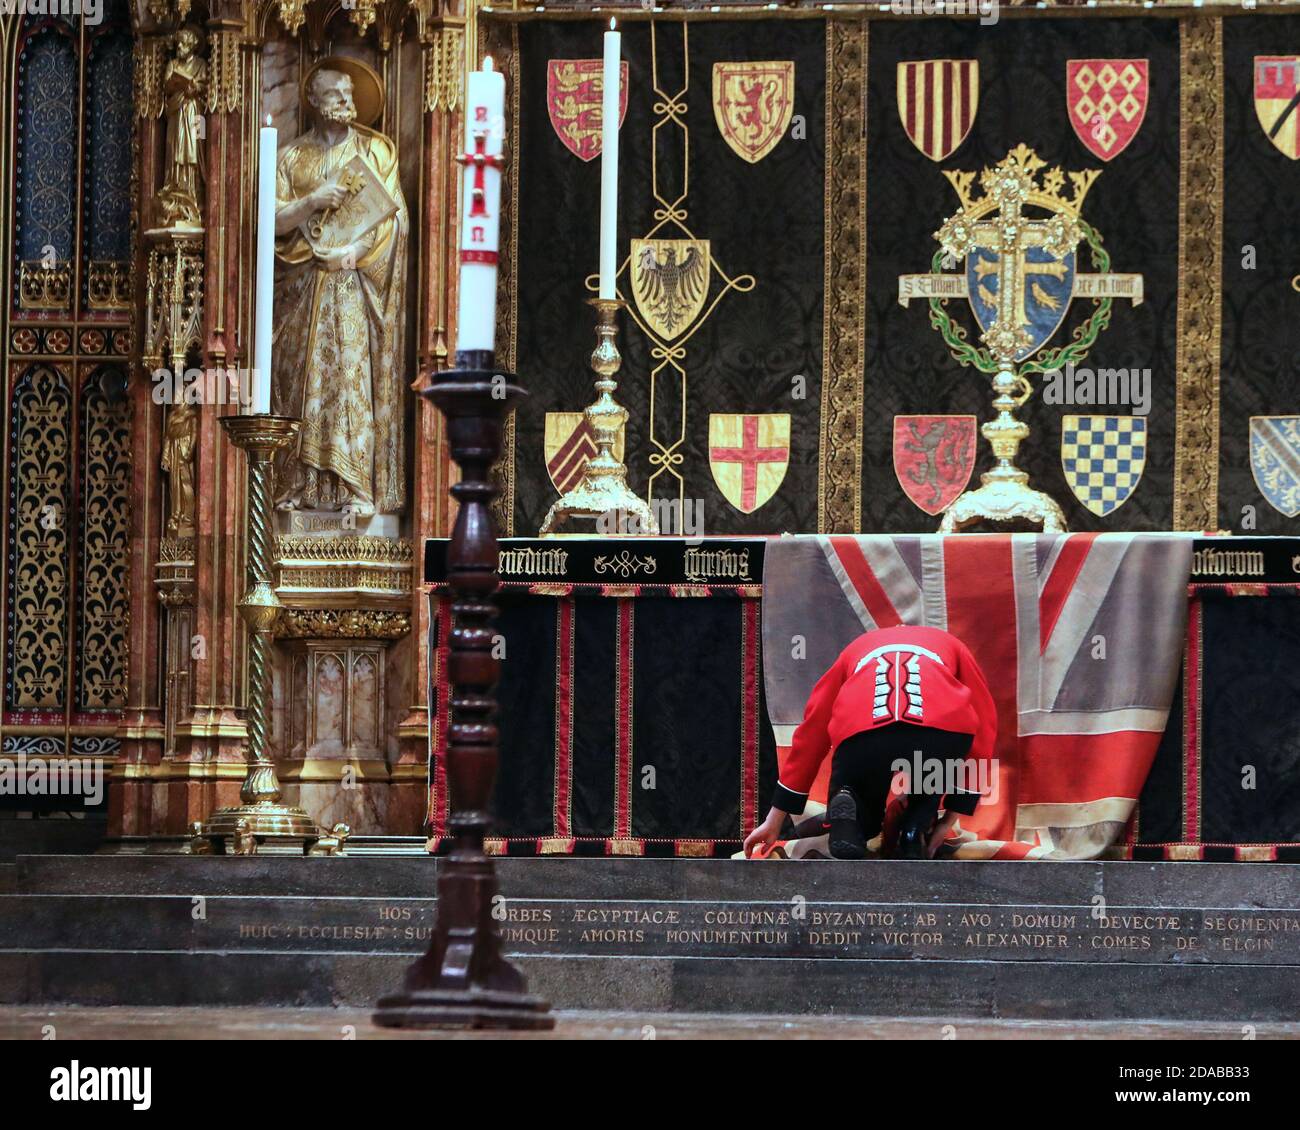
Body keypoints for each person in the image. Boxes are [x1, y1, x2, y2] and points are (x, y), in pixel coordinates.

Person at [744, 625, 997, 860]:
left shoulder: (856, 648)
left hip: (863, 730)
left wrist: (775, 818)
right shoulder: (952, 644)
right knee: (927, 782)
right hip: (939, 731)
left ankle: (852, 810)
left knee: (861, 796)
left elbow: (814, 730)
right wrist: (950, 818)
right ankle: (915, 827)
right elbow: (985, 723)